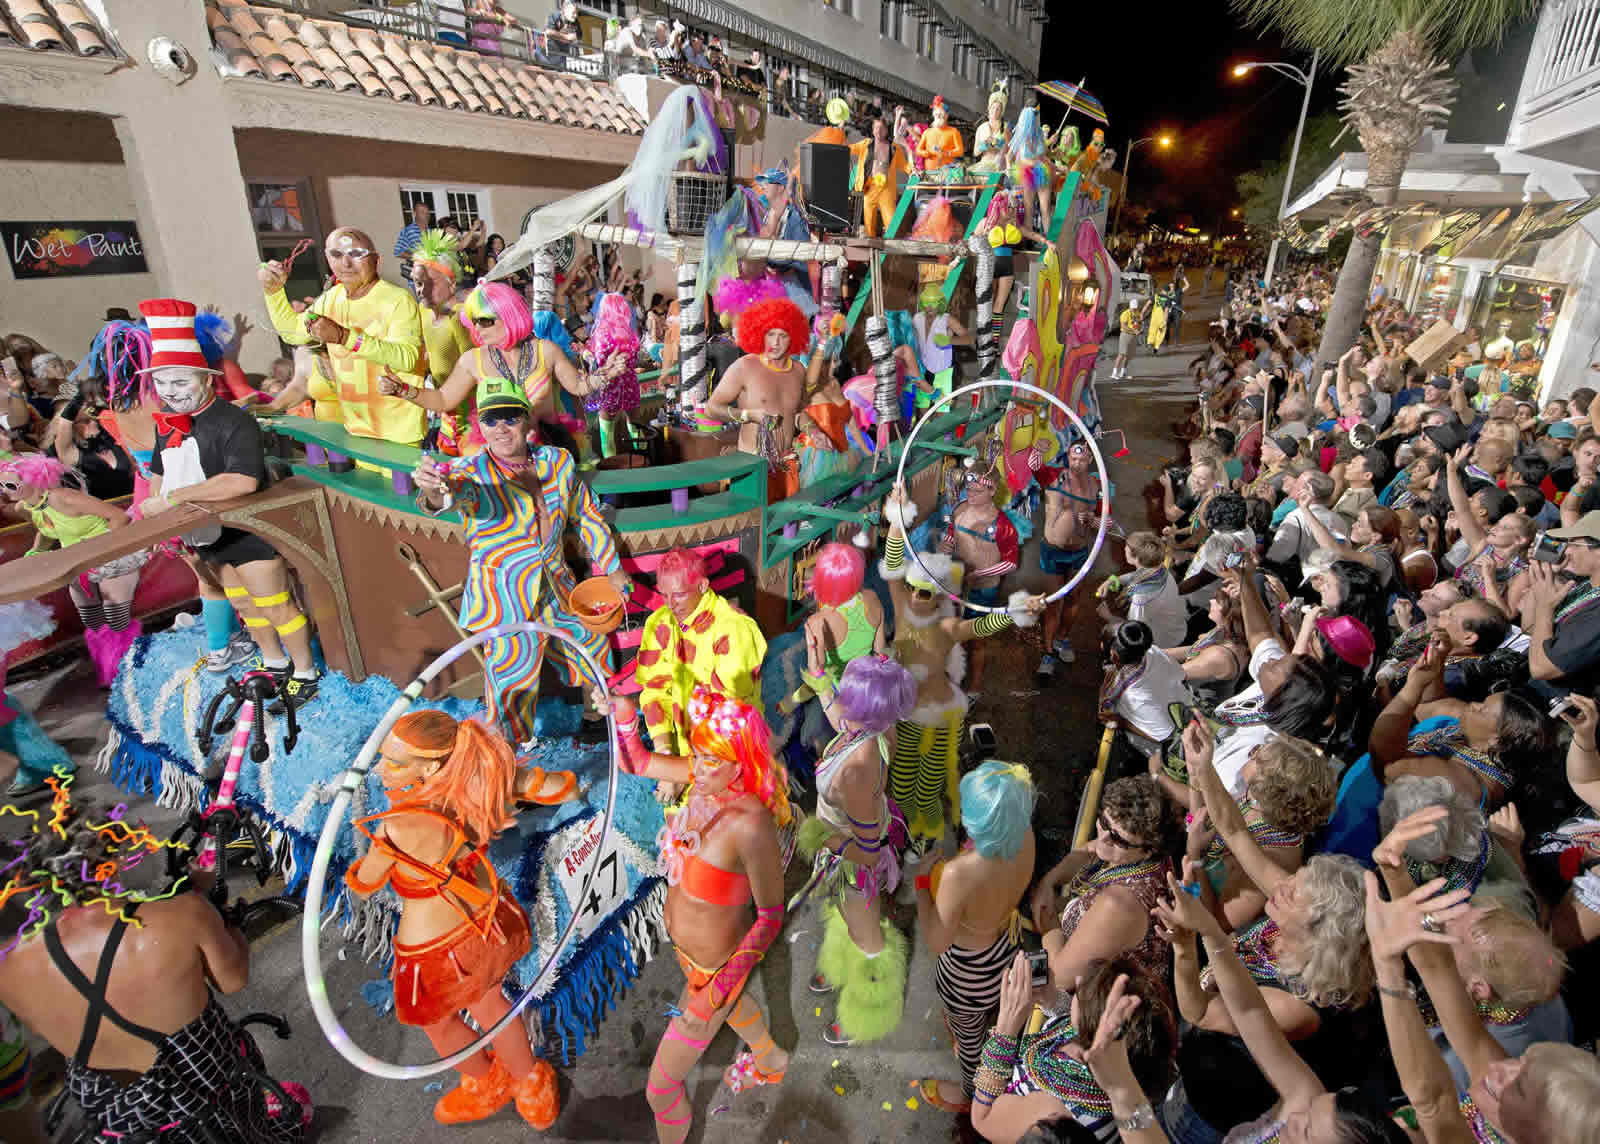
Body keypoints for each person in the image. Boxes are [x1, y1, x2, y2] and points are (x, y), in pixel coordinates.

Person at [0, 780, 311, 1142]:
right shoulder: (183, 916)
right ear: (111, 858)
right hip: (207, 1107)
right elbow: (233, 979)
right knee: (295, 1105)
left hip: (120, 1124)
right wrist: (222, 918)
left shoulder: (14, 968)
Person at [344, 711, 573, 1126]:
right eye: (383, 758)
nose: (380, 769)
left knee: (437, 1022)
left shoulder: (398, 824)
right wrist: (524, 779)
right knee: (490, 1004)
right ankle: (531, 1086)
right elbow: (560, 786)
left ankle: (485, 1081)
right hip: (485, 926)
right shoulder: (474, 787)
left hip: (433, 952)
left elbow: (365, 881)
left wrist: (361, 866)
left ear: (429, 766)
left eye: (394, 762)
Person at [599, 687, 789, 1143]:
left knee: (661, 1089)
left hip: (716, 973)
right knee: (738, 1012)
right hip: (691, 959)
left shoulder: (750, 823)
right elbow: (637, 763)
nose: (697, 770)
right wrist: (625, 716)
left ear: (740, 764)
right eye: (697, 755)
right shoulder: (705, 779)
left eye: (711, 761)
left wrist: (712, 994)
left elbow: (769, 919)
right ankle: (772, 1059)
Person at [412, 378, 628, 746]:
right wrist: (433, 488)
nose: (500, 428)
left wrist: (612, 568)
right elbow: (445, 495)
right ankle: (510, 763)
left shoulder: (557, 462)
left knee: (593, 648)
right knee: (512, 686)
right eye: (491, 419)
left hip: (558, 592)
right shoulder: (471, 472)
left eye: (510, 418)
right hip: (506, 603)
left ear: (527, 422)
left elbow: (587, 516)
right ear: (480, 425)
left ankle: (596, 722)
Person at [1371, 811, 1600, 1144]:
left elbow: (1432, 1101)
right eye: (1523, 1064)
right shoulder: (1518, 1010)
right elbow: (1437, 971)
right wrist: (1394, 872)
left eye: (1519, 1089)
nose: (1500, 1067)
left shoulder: (1475, 1069)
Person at [136, 299, 321, 706]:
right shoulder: (166, 423)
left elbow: (242, 480)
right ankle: (273, 663)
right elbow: (158, 474)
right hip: (202, 537)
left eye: (180, 382)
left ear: (205, 379)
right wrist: (154, 514)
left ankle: (305, 672)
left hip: (248, 533)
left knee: (275, 606)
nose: (170, 393)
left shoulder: (234, 421)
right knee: (243, 605)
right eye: (162, 383)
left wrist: (172, 499)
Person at [1152, 864, 1406, 1144]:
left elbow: (1200, 1011)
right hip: (1188, 1079)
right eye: (1296, 875)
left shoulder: (1295, 1009)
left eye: (1295, 893)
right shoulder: (1278, 929)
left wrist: (1187, 945)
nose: (1282, 886)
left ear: (1318, 930)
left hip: (1203, 1116)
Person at [880, 485, 1044, 847]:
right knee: (902, 787)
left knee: (928, 791)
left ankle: (928, 848)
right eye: (913, 589)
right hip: (906, 714)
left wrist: (1018, 611)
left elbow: (980, 626)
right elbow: (892, 568)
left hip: (941, 718)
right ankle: (912, 841)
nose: (917, 597)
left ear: (940, 594)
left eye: (926, 592)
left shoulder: (947, 625)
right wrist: (896, 520)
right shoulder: (903, 611)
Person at [800, 655, 917, 1047]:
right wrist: (818, 674)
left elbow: (867, 854)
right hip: (840, 853)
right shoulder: (875, 731)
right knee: (844, 916)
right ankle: (837, 966)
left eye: (847, 698)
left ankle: (868, 1014)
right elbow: (838, 719)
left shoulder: (857, 771)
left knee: (868, 939)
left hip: (854, 864)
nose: (840, 705)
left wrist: (813, 832)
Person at [909, 761, 1036, 1111]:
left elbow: (938, 942)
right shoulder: (1024, 835)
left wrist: (922, 885)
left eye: (967, 810)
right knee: (991, 1010)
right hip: (1007, 947)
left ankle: (971, 1093)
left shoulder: (958, 874)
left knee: (969, 1040)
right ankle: (978, 1031)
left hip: (967, 972)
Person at [968, 956, 1178, 1142]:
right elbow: (1070, 1023)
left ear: (1094, 1035)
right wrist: (1051, 1000)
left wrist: (1006, 1029)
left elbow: (982, 1119)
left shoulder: (1057, 1113)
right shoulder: (1120, 1067)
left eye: (1086, 991)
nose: (1079, 980)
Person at [380, 282, 618, 439]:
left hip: (550, 450)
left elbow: (578, 386)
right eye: (473, 321)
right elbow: (443, 399)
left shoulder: (546, 350)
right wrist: (402, 390)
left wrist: (605, 374)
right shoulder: (473, 360)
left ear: (509, 316)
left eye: (485, 320)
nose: (477, 328)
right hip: (502, 459)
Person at [261, 227, 428, 445]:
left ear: (376, 260)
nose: (346, 264)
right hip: (357, 430)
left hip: (398, 432)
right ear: (327, 259)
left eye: (357, 254)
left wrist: (344, 337)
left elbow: (408, 359)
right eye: (337, 255)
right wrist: (273, 292)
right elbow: (293, 333)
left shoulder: (397, 300)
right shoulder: (330, 299)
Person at [2, 455, 146, 692]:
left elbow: (119, 517)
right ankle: (109, 673)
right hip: (77, 567)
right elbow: (48, 530)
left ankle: (127, 675)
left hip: (111, 559)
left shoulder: (63, 497)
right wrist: (36, 552)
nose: (5, 491)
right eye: (2, 485)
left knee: (116, 620)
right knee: (93, 623)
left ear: (34, 480)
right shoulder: (25, 506)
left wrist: (103, 551)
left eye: (11, 485)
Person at [1030, 775, 1175, 993]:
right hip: (1070, 938)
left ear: (1148, 848)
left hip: (1084, 1001)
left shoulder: (1120, 904)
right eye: (1104, 822)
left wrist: (1047, 928)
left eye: (1117, 838)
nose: (1104, 837)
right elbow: (1090, 850)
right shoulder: (1136, 854)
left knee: (1019, 969)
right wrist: (1049, 882)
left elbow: (1059, 980)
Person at [635, 547, 766, 757]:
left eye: (678, 595)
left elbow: (730, 709)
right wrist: (665, 750)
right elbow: (654, 692)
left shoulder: (733, 628)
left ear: (703, 585)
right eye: (663, 594)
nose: (670, 604)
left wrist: (687, 768)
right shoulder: (659, 623)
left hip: (729, 749)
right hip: (684, 749)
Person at [704, 298, 832, 503]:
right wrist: (747, 415)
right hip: (752, 468)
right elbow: (711, 409)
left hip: (787, 467)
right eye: (770, 334)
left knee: (788, 530)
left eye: (783, 335)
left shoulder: (798, 370)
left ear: (794, 337)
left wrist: (813, 431)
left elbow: (798, 413)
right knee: (755, 532)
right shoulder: (744, 366)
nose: (775, 342)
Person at [782, 540, 888, 713]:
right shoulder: (872, 597)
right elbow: (880, 651)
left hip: (839, 697)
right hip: (866, 688)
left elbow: (817, 673)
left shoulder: (817, 622)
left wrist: (792, 701)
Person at [1037, 441, 1104, 678]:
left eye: (1082, 459)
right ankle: (1047, 652)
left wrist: (1095, 521)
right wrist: (1037, 452)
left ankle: (1063, 638)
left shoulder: (1099, 485)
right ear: (1067, 457)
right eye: (1073, 458)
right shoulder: (1055, 477)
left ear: (1090, 460)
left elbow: (1108, 522)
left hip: (1079, 551)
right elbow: (1036, 469)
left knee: (1074, 598)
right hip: (1052, 551)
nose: (1076, 463)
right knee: (1053, 602)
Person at [408, 230, 477, 454]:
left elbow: (473, 365)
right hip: (444, 405)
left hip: (469, 407)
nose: (422, 290)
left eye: (430, 283)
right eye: (418, 283)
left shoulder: (459, 316)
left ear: (451, 283)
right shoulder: (422, 313)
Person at [915, 95, 963, 171]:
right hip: (929, 173)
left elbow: (960, 151)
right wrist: (926, 153)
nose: (938, 115)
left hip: (947, 173)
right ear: (934, 115)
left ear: (946, 116)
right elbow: (918, 150)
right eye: (936, 114)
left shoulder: (954, 132)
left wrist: (947, 153)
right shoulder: (927, 132)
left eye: (941, 114)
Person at [393, 199, 432, 285]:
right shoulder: (408, 231)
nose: (426, 215)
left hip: (433, 276)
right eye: (422, 212)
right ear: (415, 214)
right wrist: (419, 257)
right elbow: (398, 252)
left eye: (427, 212)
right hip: (418, 276)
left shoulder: (432, 232)